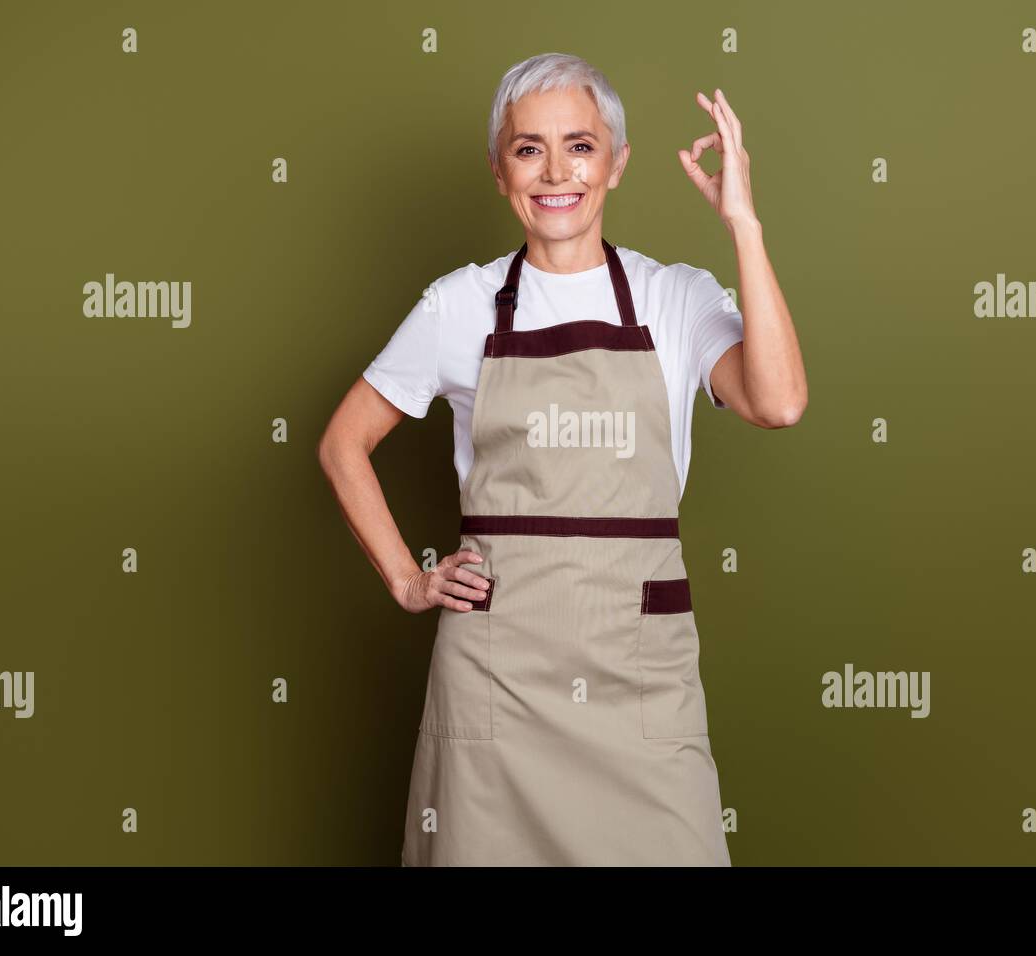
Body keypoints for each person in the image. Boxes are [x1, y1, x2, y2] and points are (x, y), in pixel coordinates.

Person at [318, 52, 806, 866]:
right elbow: (343, 444)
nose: (555, 172)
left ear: (616, 162)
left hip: (639, 674)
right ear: (499, 169)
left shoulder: (674, 297)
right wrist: (409, 579)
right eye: (527, 148)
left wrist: (743, 226)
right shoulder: (460, 303)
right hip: (498, 675)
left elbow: (780, 401)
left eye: (579, 146)